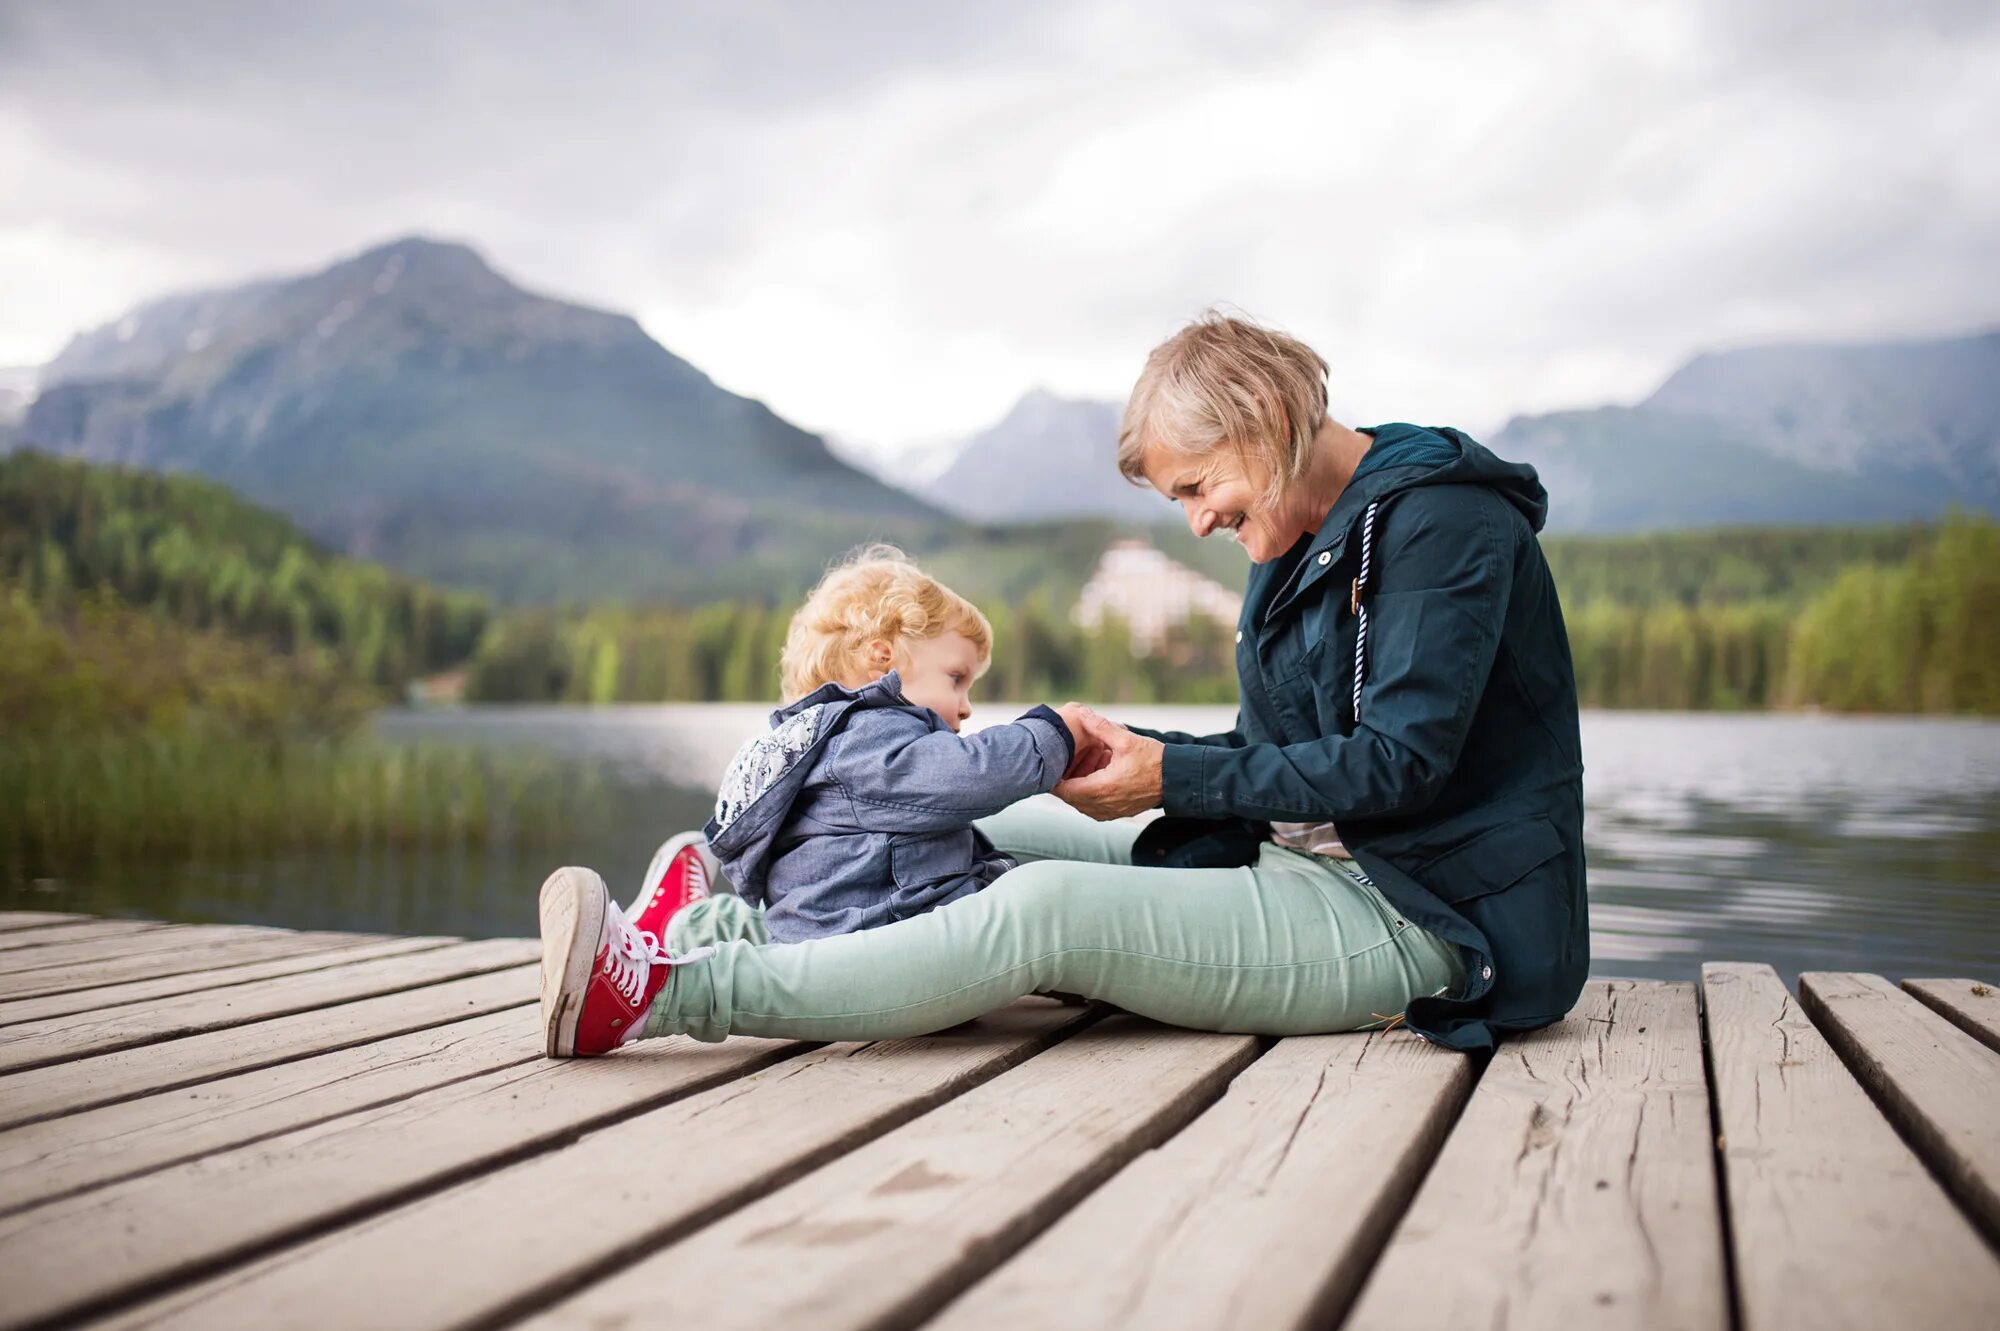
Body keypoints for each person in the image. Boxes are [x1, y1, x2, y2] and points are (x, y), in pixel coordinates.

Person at [539, 311, 1587, 1058]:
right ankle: (719, 919)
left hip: (1419, 915)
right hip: (1299, 858)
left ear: (1264, 417)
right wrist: (1110, 747)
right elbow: (1278, 747)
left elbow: (1397, 766)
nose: (1195, 521)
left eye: (1196, 485)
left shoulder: (1445, 526)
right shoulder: (1294, 533)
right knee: (982, 827)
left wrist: (1171, 774)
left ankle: (671, 993)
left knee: (1035, 904)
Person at [540, 545, 1092, 1056]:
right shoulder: (871, 739)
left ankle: (684, 927)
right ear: (884, 659)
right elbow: (967, 775)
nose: (967, 707)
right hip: (872, 934)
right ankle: (641, 995)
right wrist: (1049, 735)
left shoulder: (814, 742)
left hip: (828, 918)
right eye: (957, 678)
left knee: (767, 929)